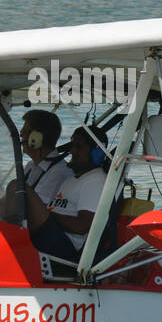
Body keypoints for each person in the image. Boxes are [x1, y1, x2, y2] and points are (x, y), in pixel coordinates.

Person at [26, 125, 110, 265]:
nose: (71, 151)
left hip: (65, 248)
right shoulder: (72, 179)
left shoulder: (95, 180)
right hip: (51, 236)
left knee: (21, 188)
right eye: (72, 145)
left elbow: (82, 226)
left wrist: (46, 215)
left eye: (78, 147)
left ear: (97, 153)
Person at [20, 110, 71, 205]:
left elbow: (36, 210)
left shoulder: (60, 172)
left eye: (24, 132)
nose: (21, 135)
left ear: (36, 138)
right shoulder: (30, 165)